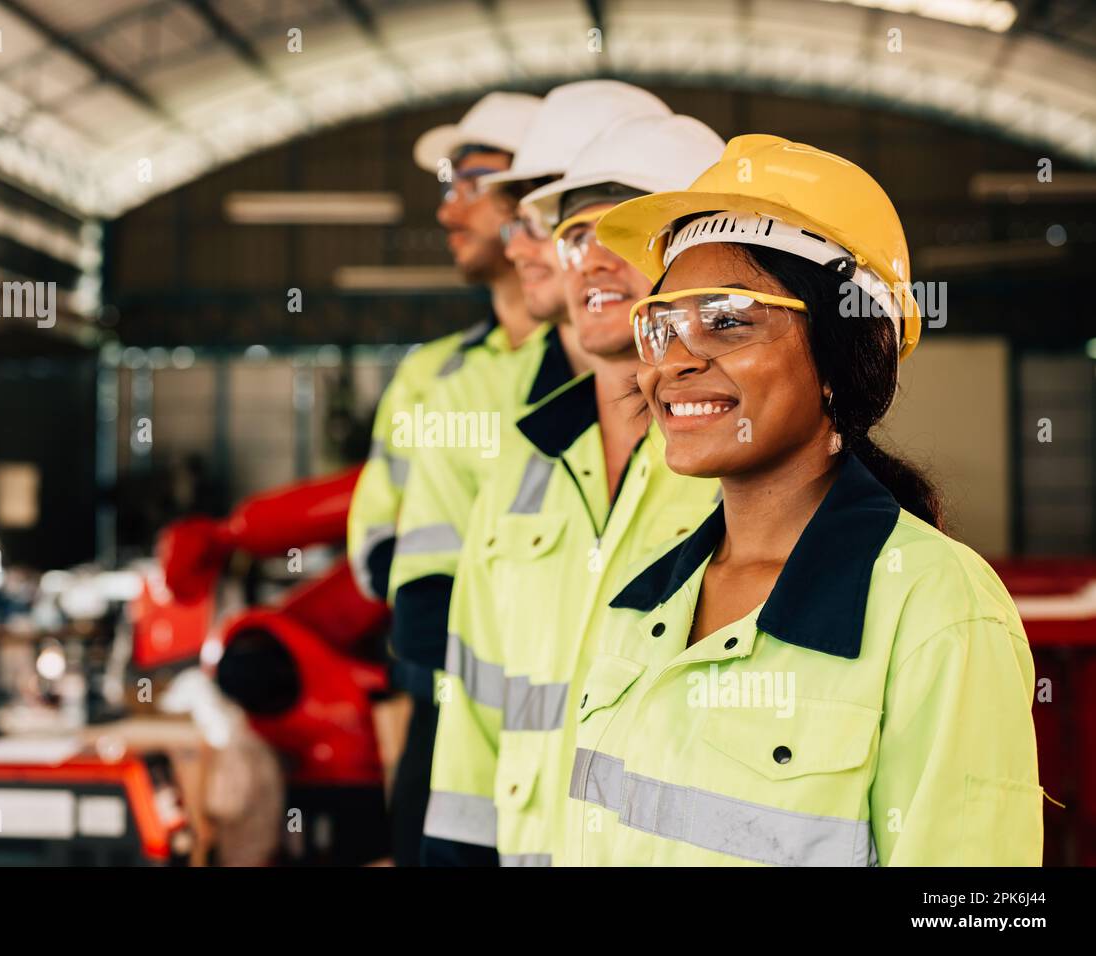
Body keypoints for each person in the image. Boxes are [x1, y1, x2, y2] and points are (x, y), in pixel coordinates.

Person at [561, 134, 1043, 865]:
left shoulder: (936, 608)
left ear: (839, 358)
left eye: (727, 319)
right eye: (661, 326)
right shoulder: (643, 605)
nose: (676, 361)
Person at [420, 113, 726, 866]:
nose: (592, 261)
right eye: (577, 236)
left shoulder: (739, 468)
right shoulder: (526, 460)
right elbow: (472, 704)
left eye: (626, 233)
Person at [347, 91, 541, 606]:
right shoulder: (428, 374)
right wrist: (424, 604)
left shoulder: (604, 364)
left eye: (473, 185)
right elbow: (377, 522)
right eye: (450, 188)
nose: (447, 210)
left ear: (536, 194)